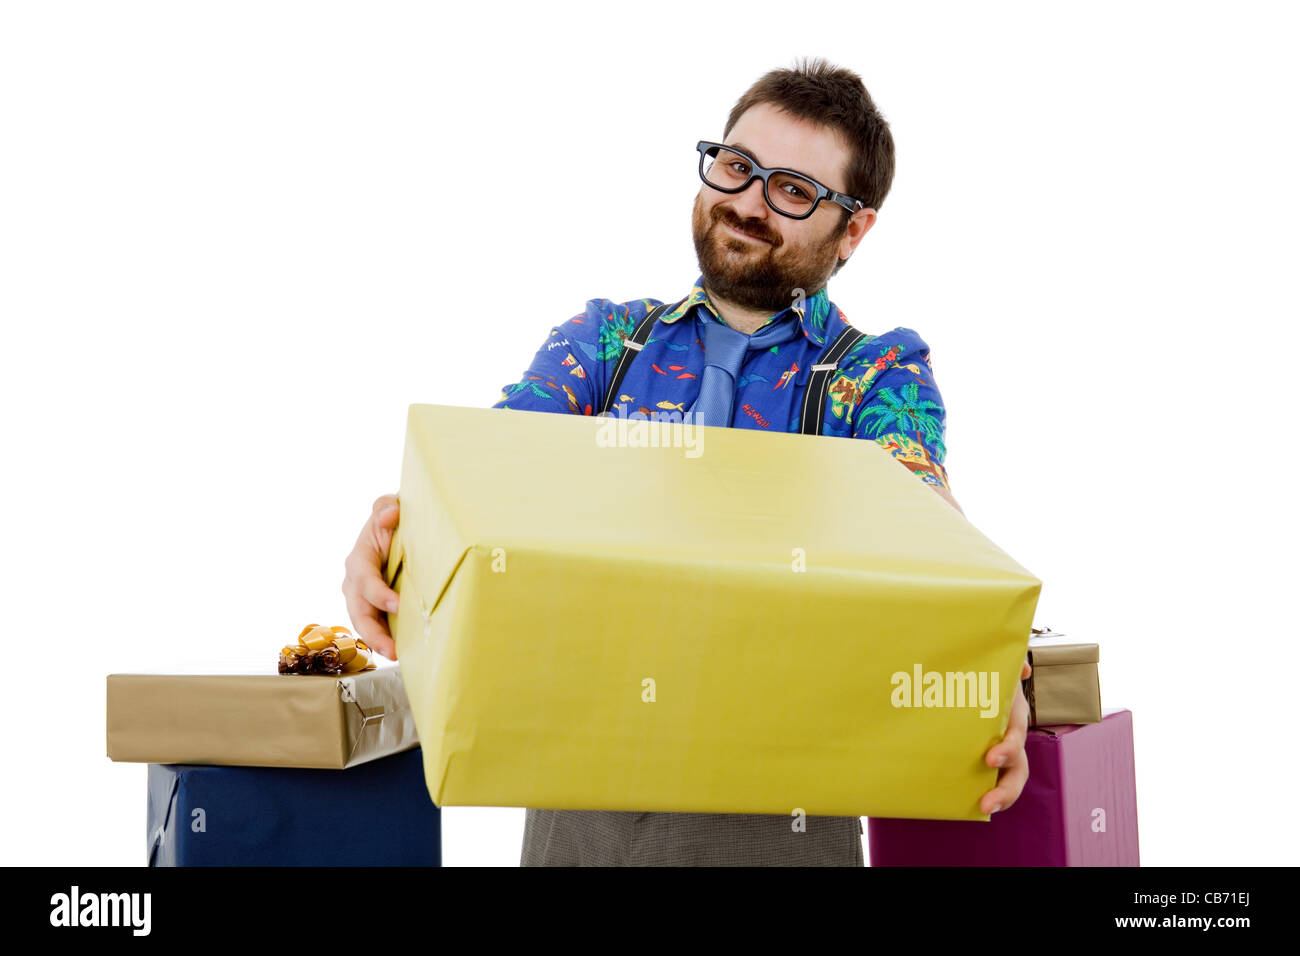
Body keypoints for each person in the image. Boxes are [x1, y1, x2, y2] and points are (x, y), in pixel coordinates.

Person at [342, 57, 1031, 866]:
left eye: (795, 190)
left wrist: (996, 676)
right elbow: (489, 482)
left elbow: (928, 527)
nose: (748, 204)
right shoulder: (603, 343)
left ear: (854, 229)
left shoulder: (875, 378)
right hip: (577, 798)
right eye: (737, 168)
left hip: (782, 809)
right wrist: (398, 533)